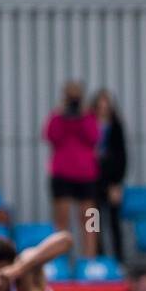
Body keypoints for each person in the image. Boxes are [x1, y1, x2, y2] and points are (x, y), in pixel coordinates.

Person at [43, 81, 100, 257]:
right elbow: (51, 136)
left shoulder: (89, 116)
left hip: (86, 175)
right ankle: (60, 260)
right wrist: (61, 116)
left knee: (91, 218)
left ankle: (90, 259)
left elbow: (94, 137)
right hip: (62, 174)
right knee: (61, 219)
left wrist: (83, 116)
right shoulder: (57, 117)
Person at [91, 90, 128, 261]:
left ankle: (118, 259)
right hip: (91, 183)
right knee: (93, 222)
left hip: (111, 181)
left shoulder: (115, 127)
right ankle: (97, 256)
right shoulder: (88, 125)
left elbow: (122, 156)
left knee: (113, 222)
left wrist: (116, 183)